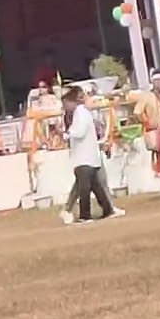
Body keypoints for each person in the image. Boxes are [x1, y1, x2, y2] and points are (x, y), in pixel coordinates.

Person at [62, 87, 116, 222]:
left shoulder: (79, 113)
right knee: (96, 186)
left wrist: (68, 134)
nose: (65, 107)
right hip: (89, 156)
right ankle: (108, 209)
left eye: (66, 103)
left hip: (83, 157)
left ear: (71, 101)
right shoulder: (83, 113)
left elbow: (80, 132)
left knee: (84, 189)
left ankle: (85, 214)